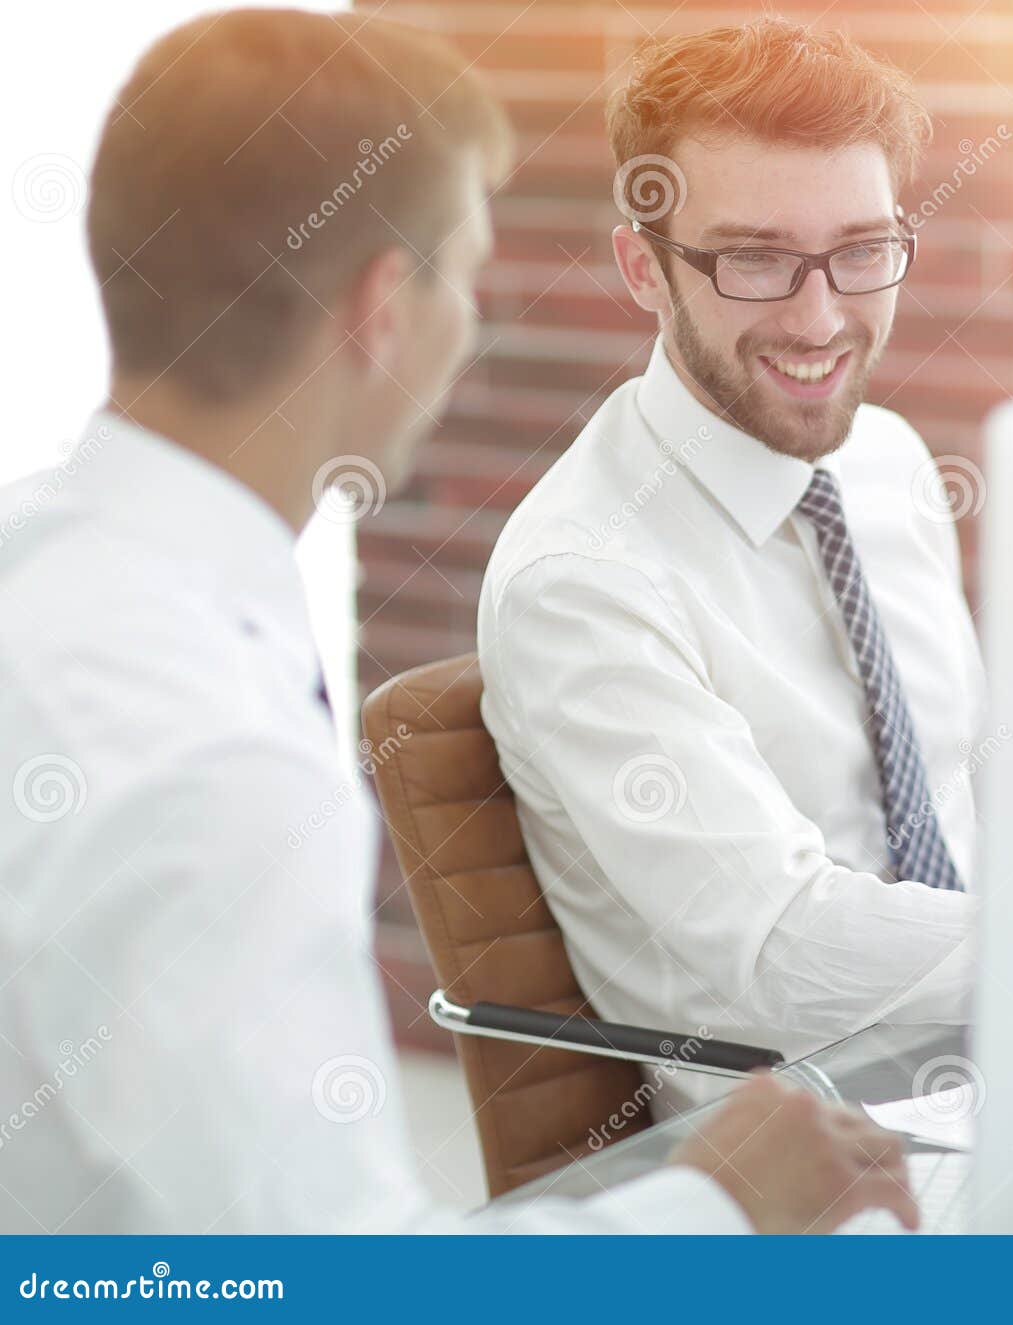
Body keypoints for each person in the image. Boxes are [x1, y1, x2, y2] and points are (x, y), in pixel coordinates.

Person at [0, 8, 913, 1236]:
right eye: (466, 277)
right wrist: (718, 1201)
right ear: (383, 308)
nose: (468, 327)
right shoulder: (214, 770)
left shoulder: (53, 575)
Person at [477, 18, 984, 1117]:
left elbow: (961, 788)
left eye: (860, 250)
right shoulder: (584, 578)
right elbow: (780, 957)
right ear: (641, 267)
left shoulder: (888, 459)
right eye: (754, 258)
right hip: (804, 1165)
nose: (818, 317)